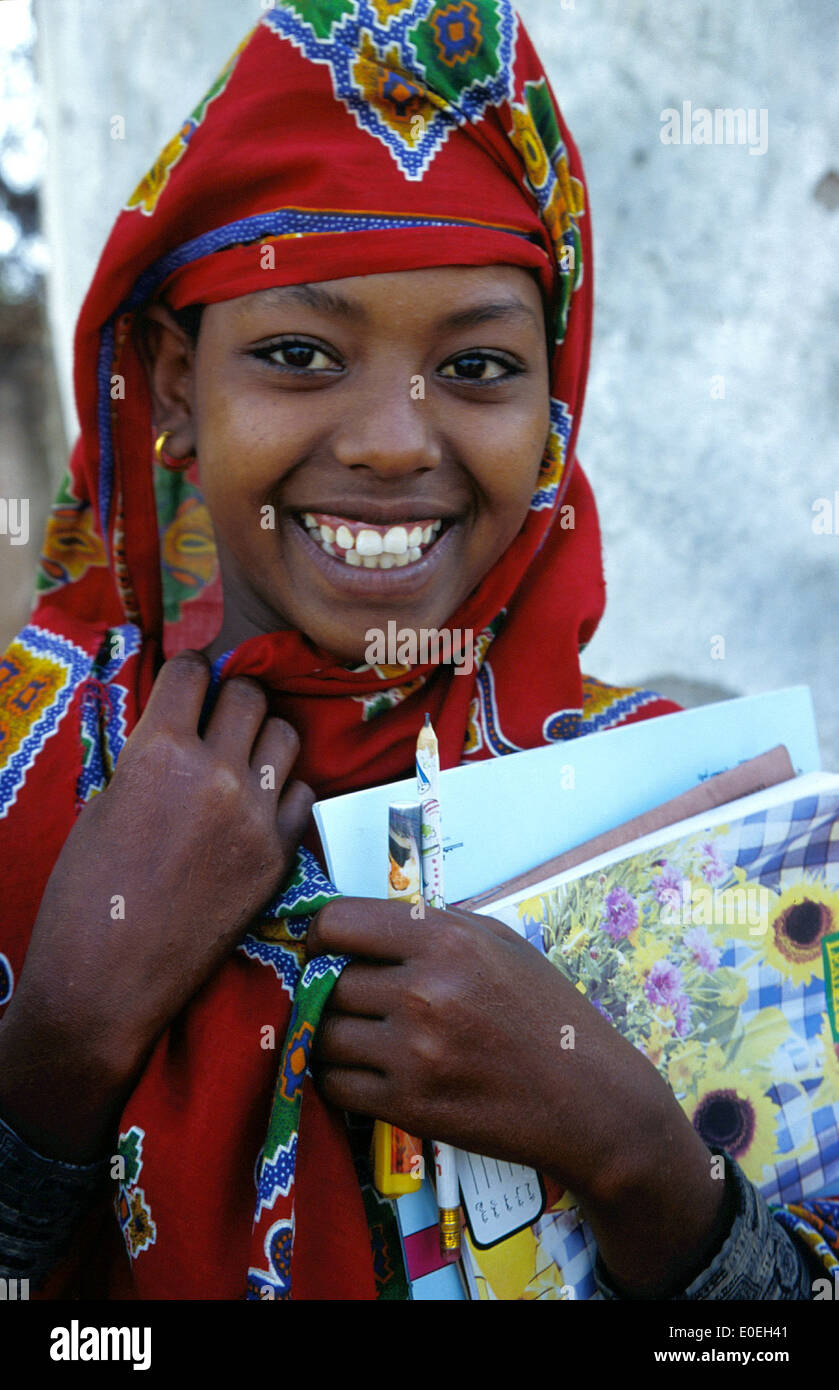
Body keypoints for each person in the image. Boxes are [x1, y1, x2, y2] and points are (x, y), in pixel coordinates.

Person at [0, 0, 836, 1301]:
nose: (395, 439)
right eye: (296, 353)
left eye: (481, 365)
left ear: (552, 409)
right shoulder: (24, 776)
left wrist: (637, 1160)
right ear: (173, 388)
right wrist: (59, 1046)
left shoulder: (698, 821)